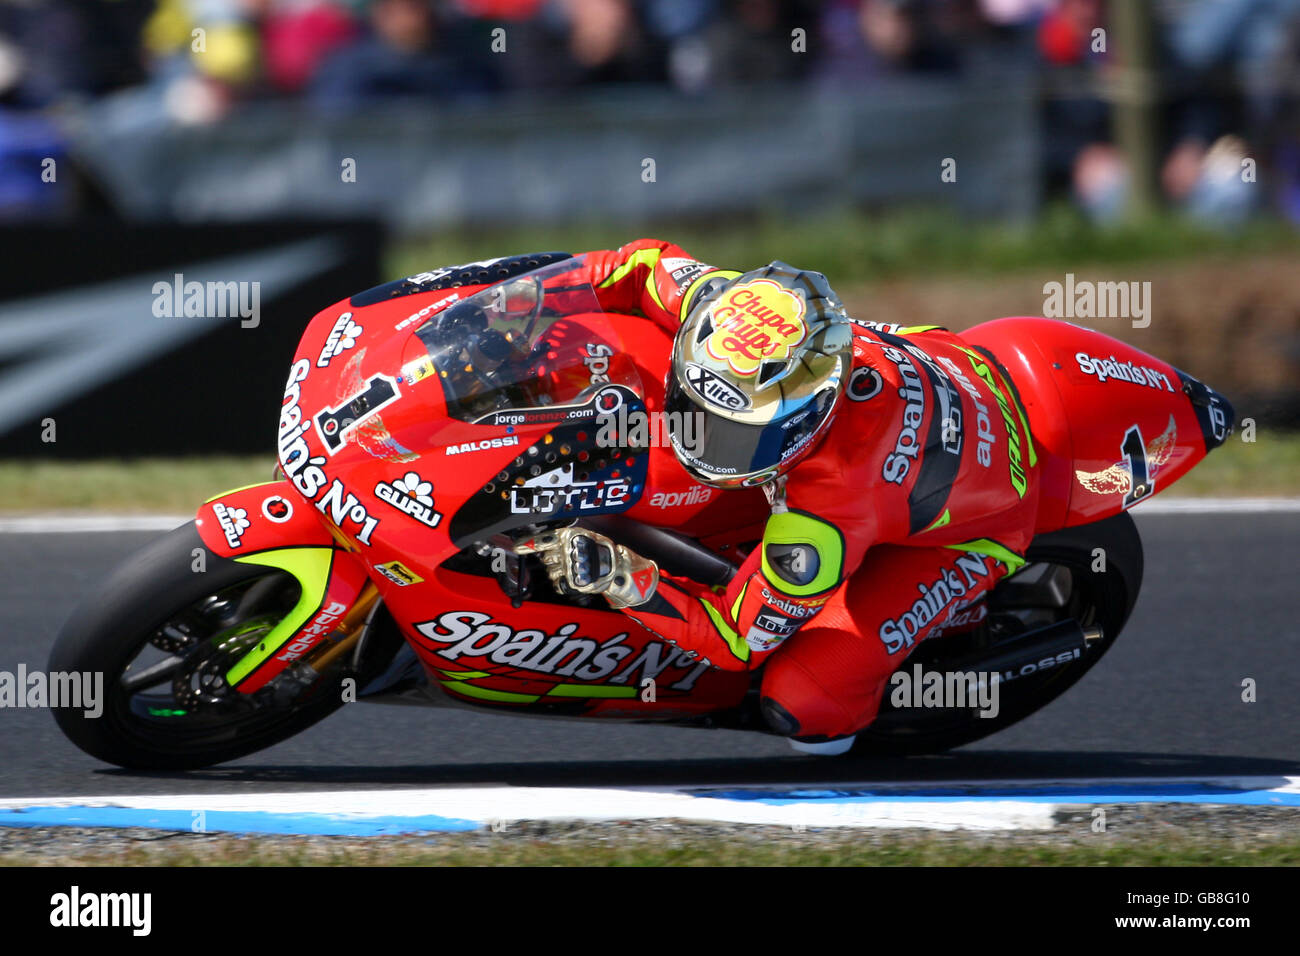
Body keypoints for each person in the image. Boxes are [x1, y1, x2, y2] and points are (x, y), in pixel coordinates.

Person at [516, 238, 1040, 754]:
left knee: (804, 703)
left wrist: (623, 578)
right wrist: (534, 300)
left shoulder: (827, 512)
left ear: (804, 424)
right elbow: (644, 261)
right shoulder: (724, 310)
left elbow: (734, 640)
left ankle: (850, 746)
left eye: (737, 434)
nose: (699, 438)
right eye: (694, 409)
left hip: (982, 522)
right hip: (959, 361)